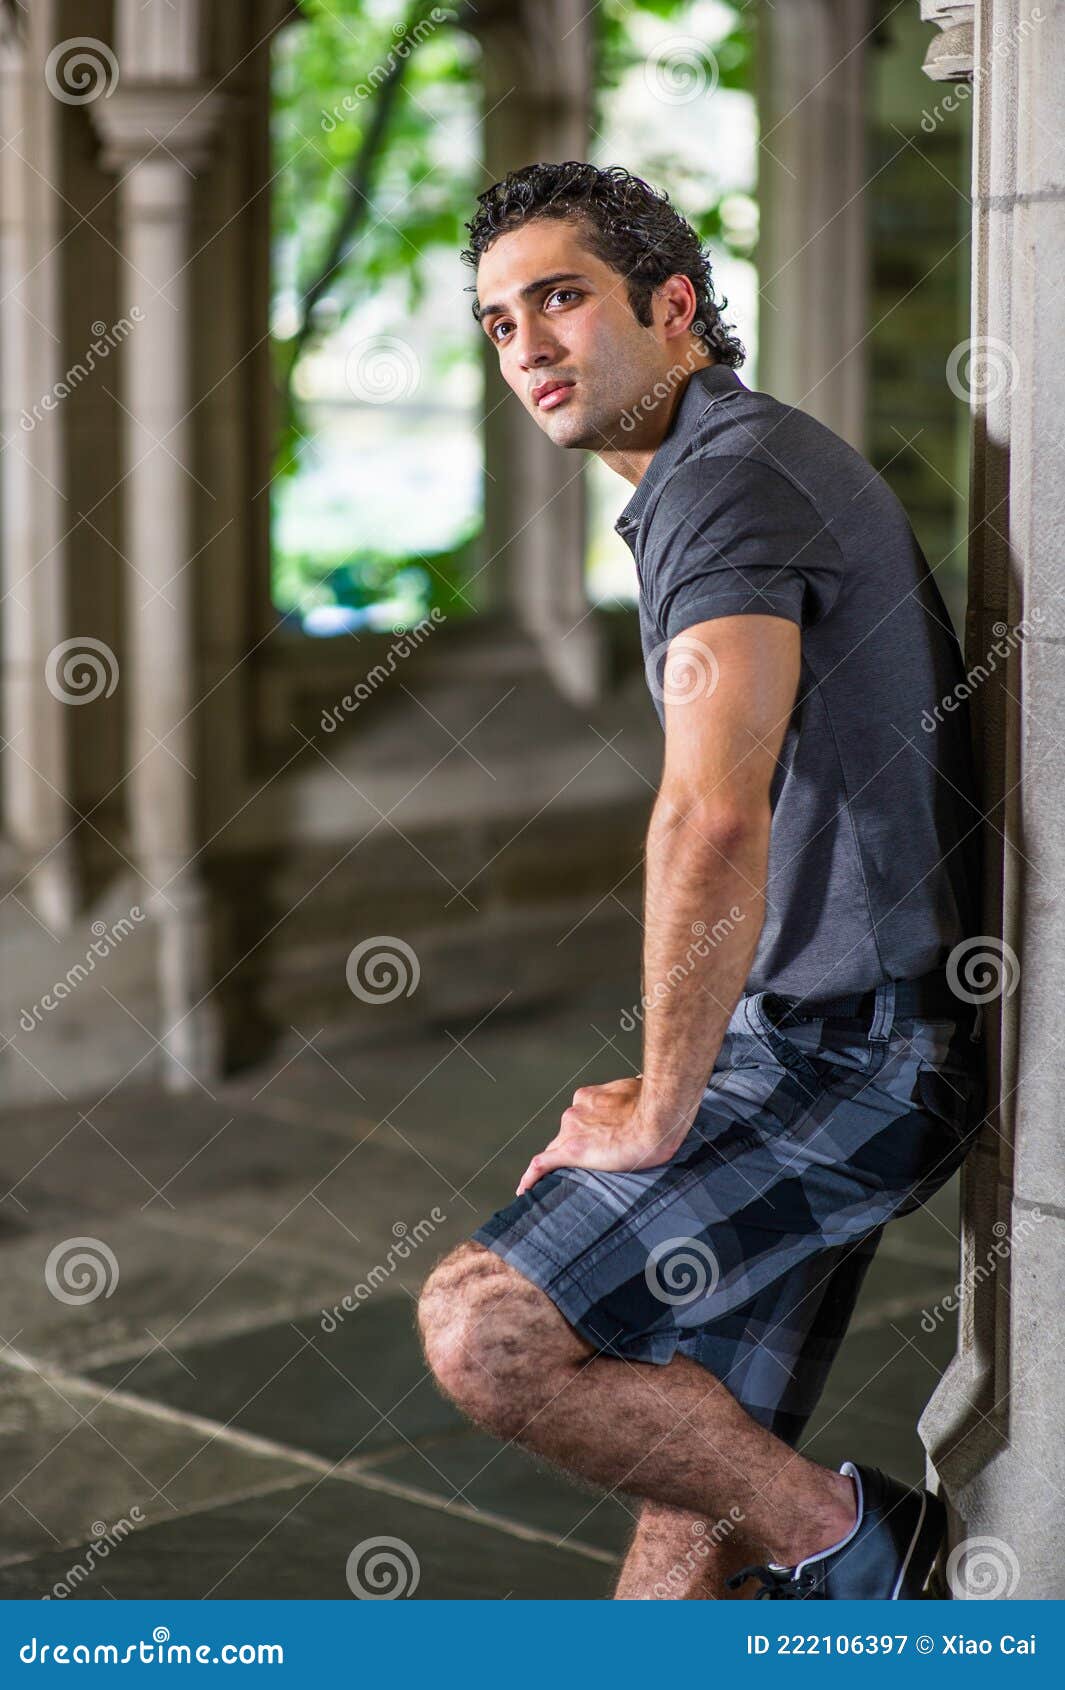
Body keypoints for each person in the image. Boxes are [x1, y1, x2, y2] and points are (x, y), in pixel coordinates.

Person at [417, 162, 985, 1600]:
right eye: (498, 323)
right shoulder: (719, 469)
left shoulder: (725, 484)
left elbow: (709, 818)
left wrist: (664, 1103)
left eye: (561, 298)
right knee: (692, 1507)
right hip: (810, 1033)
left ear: (673, 307)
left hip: (856, 1056)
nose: (528, 347)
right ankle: (825, 1555)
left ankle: (864, 1551)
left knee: (487, 1329)